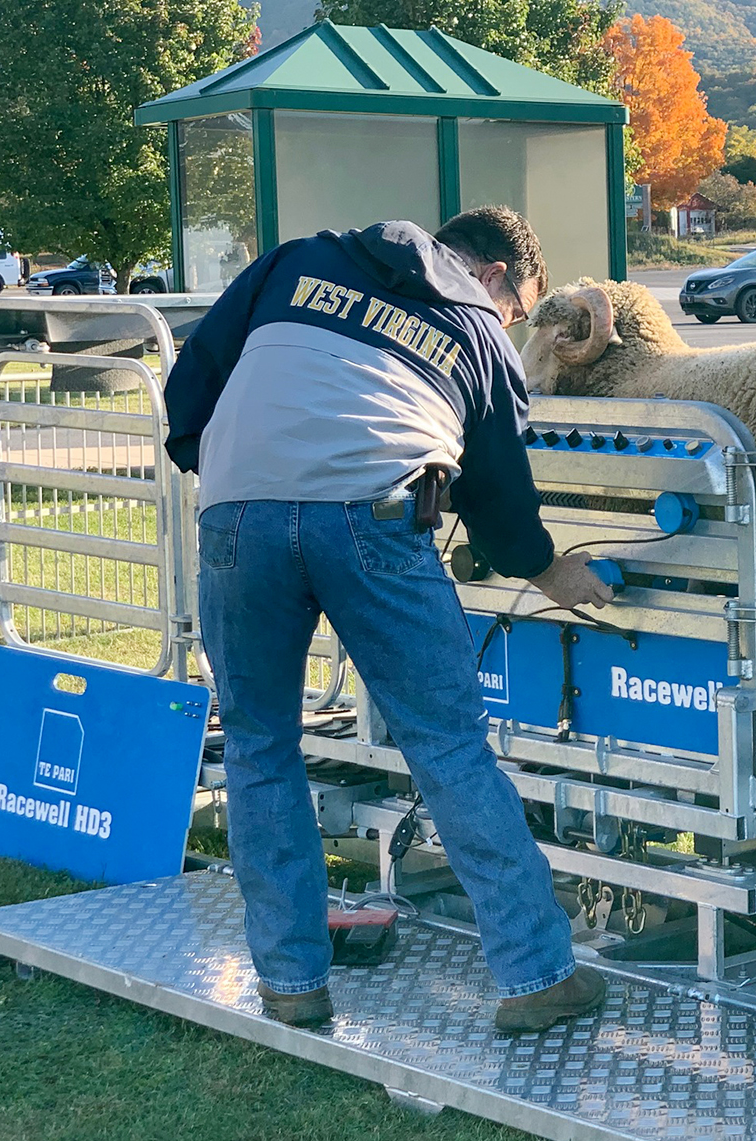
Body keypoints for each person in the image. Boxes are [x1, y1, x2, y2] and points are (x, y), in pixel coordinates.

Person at [163, 208, 612, 1032]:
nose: (509, 325)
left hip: (239, 516)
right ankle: (537, 974)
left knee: (260, 747)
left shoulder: (298, 260)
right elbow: (499, 488)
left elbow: (194, 374)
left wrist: (231, 475)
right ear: (493, 276)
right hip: (372, 518)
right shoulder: (476, 327)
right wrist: (546, 568)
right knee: (448, 747)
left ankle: (292, 982)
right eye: (517, 310)